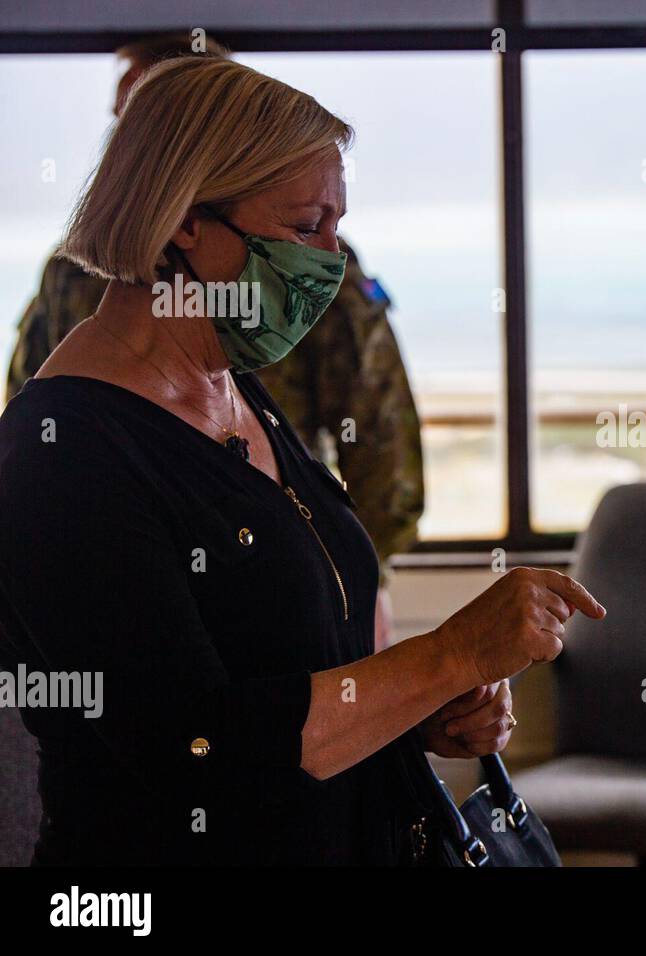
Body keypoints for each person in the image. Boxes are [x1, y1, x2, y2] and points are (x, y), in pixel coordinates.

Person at [0, 55, 605, 865]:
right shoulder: (62, 454)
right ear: (185, 218)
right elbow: (198, 749)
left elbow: (291, 667)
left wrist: (422, 706)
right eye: (303, 227)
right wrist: (450, 653)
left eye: (337, 225)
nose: (331, 260)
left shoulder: (236, 388)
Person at [5, 34, 424, 649]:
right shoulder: (72, 296)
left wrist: (359, 586)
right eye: (129, 123)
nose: (137, 146)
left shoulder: (246, 353)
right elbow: (196, 734)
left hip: (296, 573)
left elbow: (378, 427)